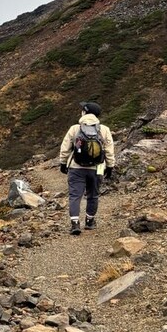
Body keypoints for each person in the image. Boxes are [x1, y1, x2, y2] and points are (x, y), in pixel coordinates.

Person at [58, 101, 115, 235]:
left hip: (76, 167)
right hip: (97, 168)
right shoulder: (104, 129)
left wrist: (62, 163)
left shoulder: (75, 128)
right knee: (93, 195)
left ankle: (75, 224)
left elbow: (65, 148)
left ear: (84, 112)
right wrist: (110, 166)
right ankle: (90, 221)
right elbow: (109, 150)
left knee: (75, 195)